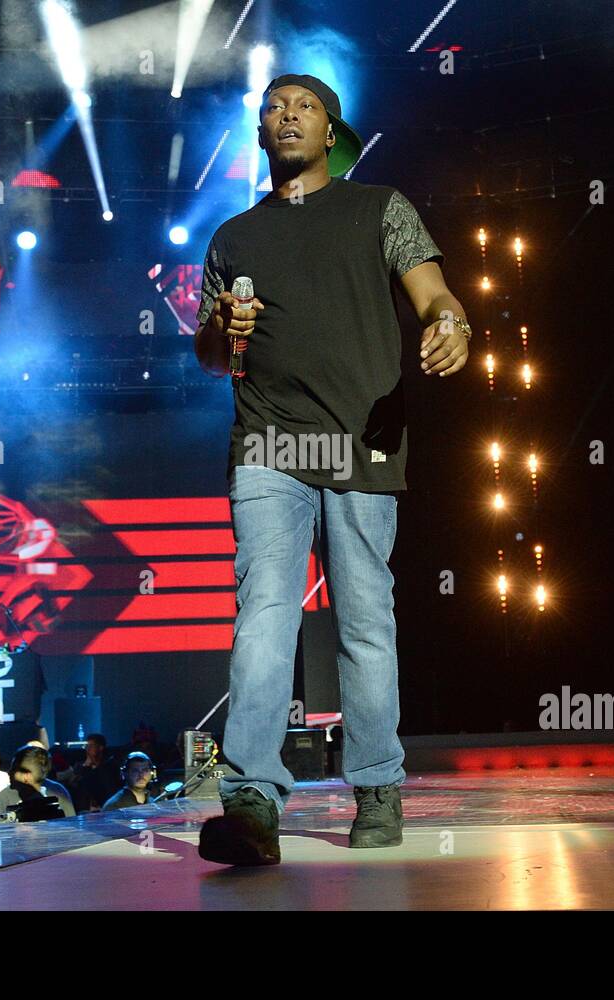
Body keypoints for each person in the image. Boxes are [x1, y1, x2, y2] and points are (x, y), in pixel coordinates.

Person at [192, 73, 470, 865]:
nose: (287, 115)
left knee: (364, 621)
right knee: (265, 614)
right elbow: (214, 358)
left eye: (304, 106)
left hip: (362, 440)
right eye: (273, 108)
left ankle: (377, 785)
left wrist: (453, 326)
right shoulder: (233, 237)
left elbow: (438, 298)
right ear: (259, 136)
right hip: (269, 444)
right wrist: (221, 326)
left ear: (331, 130)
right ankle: (250, 802)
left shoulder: (381, 208)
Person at [0, 744, 75, 824]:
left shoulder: (58, 792)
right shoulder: (4, 797)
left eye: (14, 769)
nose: (9, 772)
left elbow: (71, 828)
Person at [57, 734, 118, 811]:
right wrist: (85, 767)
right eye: (87, 746)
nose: (88, 749)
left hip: (104, 807)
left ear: (100, 747)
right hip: (83, 808)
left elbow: (108, 786)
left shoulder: (109, 766)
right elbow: (73, 783)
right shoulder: (80, 765)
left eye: (91, 746)